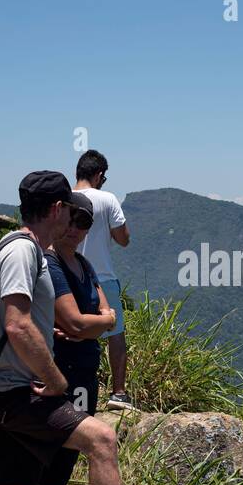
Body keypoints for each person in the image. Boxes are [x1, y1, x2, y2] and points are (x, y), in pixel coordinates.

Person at [0, 171, 188, 485]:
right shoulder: (23, 251)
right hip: (21, 391)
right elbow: (16, 324)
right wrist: (53, 379)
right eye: (69, 212)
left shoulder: (25, 250)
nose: (73, 221)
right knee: (102, 440)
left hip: (8, 391)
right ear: (56, 210)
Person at [26, 191, 116, 485]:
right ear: (61, 218)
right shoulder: (51, 265)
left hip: (85, 374)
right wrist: (94, 322)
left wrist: (94, 322)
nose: (79, 230)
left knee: (63, 468)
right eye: (74, 220)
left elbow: (104, 318)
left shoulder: (84, 264)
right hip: (61, 375)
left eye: (87, 223)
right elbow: (78, 323)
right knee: (51, 470)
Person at [73, 149, 133, 410]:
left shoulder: (64, 198)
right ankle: (118, 394)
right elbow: (124, 239)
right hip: (103, 278)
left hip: (67, 275)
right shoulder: (107, 200)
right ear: (98, 175)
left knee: (69, 330)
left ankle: (70, 392)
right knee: (115, 333)